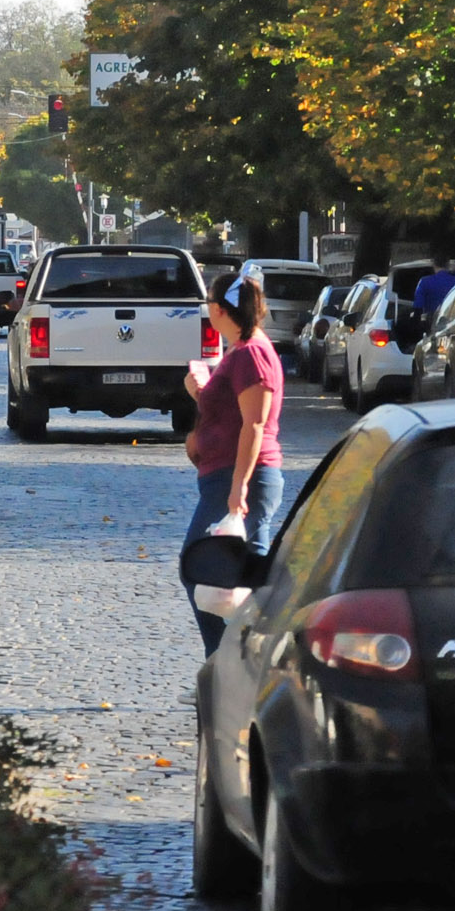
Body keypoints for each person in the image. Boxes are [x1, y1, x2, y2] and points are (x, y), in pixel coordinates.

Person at [178, 269, 285, 652]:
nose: (207, 311)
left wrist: (238, 486)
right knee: (239, 582)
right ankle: (238, 665)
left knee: (202, 570)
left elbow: (255, 423)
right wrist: (201, 393)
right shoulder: (243, 352)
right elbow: (233, 416)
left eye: (209, 303)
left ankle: (224, 664)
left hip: (239, 480)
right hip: (228, 477)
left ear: (221, 310)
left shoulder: (251, 354)